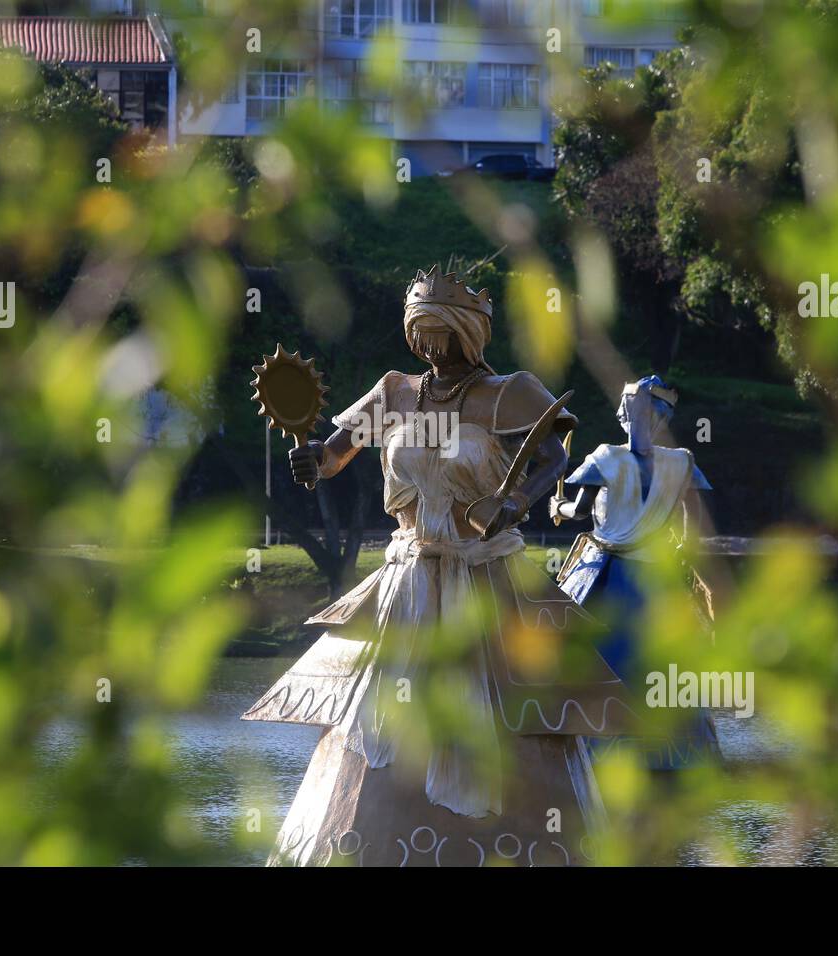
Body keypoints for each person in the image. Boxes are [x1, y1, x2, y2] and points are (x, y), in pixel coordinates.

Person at [243, 265, 638, 866]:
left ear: (468, 334)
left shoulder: (508, 392)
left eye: (441, 335)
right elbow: (336, 451)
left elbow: (554, 456)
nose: (430, 349)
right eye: (419, 334)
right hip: (408, 579)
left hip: (485, 575)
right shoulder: (397, 392)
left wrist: (517, 500)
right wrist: (315, 461)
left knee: (509, 702)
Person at [548, 375, 722, 769]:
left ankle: (579, 747)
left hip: (605, 576)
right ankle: (674, 754)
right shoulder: (681, 463)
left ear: (627, 415)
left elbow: (578, 512)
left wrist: (557, 508)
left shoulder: (606, 458)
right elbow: (692, 525)